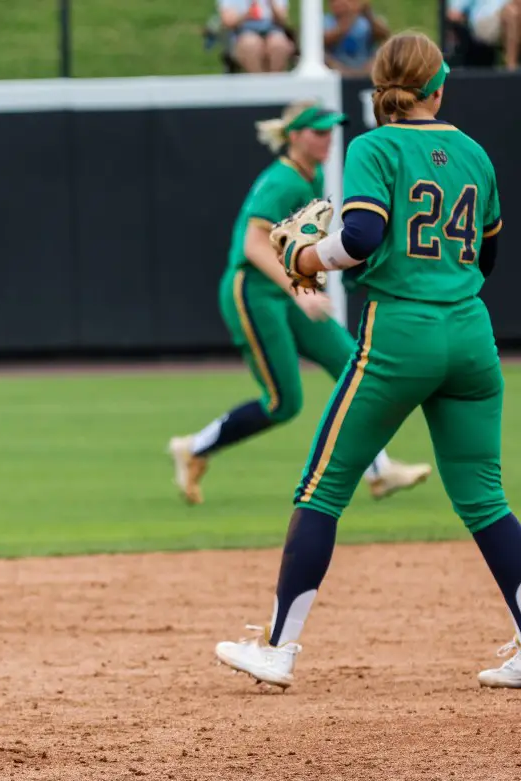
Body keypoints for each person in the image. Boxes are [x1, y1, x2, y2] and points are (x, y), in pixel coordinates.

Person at [215, 31, 521, 691]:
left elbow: (359, 237)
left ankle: (277, 650)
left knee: (322, 488)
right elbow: (486, 259)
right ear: (438, 85)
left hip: (400, 334)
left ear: (381, 87)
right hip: (471, 336)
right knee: (486, 499)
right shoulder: (473, 152)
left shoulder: (374, 145)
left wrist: (302, 259)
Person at [168, 99, 431, 507]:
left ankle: (379, 471)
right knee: (284, 402)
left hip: (286, 291)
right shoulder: (284, 181)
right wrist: (301, 289)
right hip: (253, 292)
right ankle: (193, 448)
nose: (328, 138)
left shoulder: (314, 173)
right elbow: (253, 245)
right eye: (318, 131)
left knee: (352, 364)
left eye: (330, 130)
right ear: (294, 136)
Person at [217, 0, 296, 73]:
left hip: (273, 29)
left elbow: (283, 20)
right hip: (243, 31)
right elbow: (228, 21)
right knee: (251, 44)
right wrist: (247, 13)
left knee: (278, 44)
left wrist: (272, 4)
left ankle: (275, 83)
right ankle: (258, 83)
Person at [447, 0, 520, 71]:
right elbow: (454, 12)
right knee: (511, 13)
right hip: (484, 21)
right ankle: (511, 70)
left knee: (515, 9)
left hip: (514, 17)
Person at [324, 0, 390, 76]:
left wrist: (369, 15)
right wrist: (347, 22)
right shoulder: (327, 21)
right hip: (337, 69)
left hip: (365, 68)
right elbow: (322, 40)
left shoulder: (365, 21)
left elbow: (385, 36)